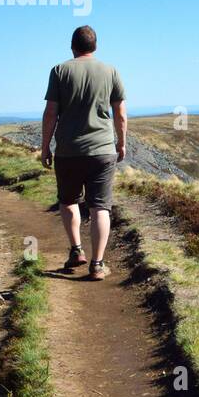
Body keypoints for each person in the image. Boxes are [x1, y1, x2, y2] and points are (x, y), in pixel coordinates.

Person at [40, 25, 127, 280]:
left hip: (68, 151)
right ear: (95, 46)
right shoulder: (111, 71)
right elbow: (120, 113)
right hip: (102, 150)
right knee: (100, 207)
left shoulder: (59, 71)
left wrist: (45, 147)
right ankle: (97, 264)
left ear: (72, 46)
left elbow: (51, 113)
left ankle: (76, 249)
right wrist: (121, 143)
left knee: (68, 201)